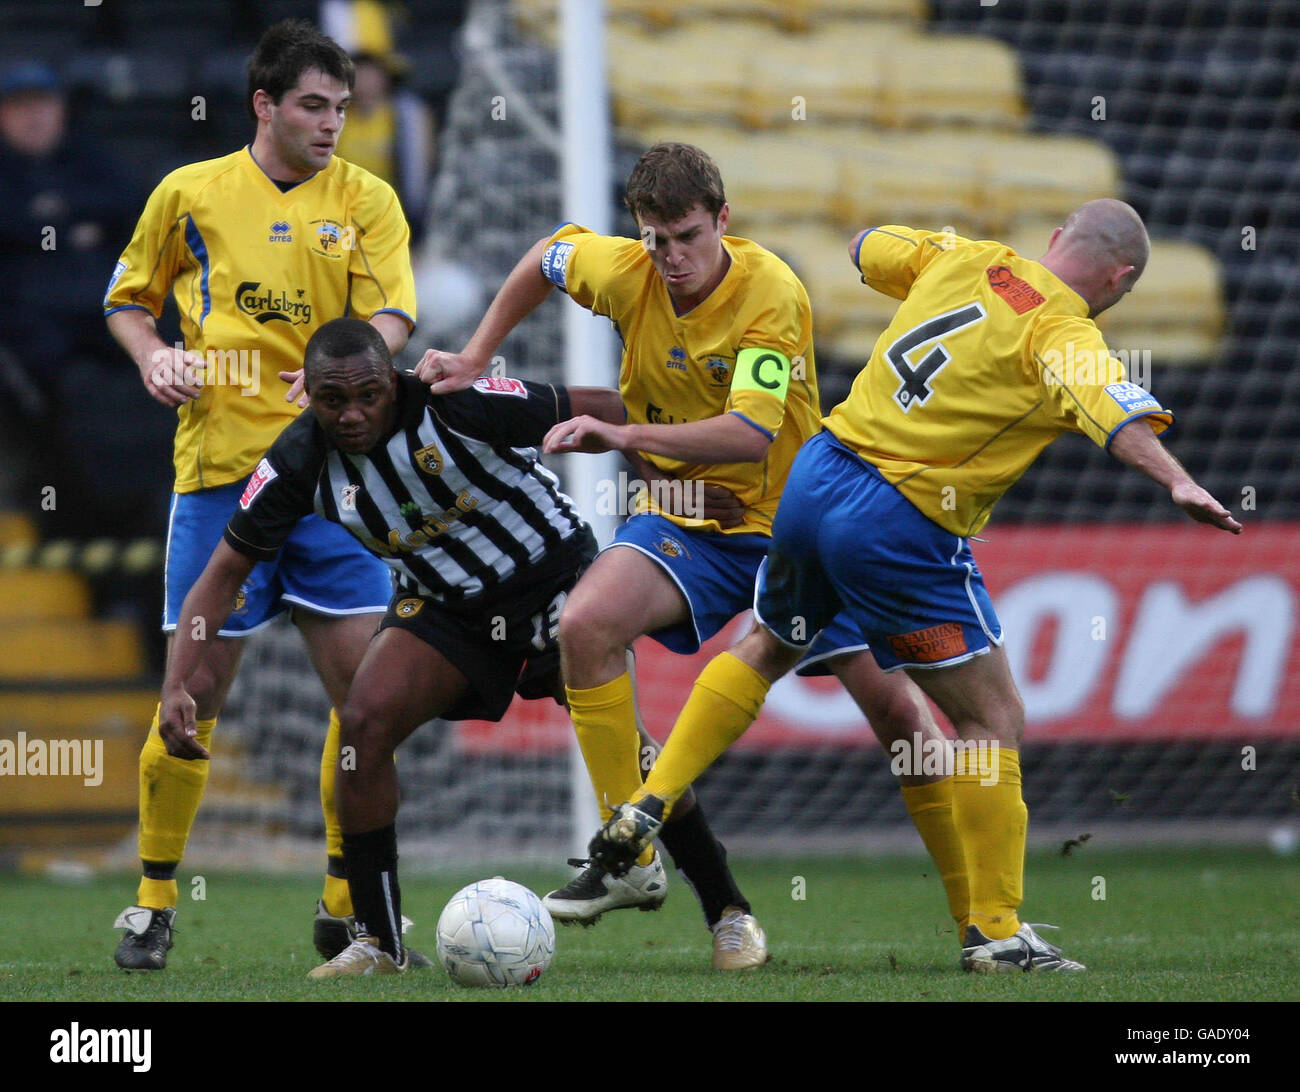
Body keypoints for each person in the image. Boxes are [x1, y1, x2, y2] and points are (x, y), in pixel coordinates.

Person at [585, 199, 1244, 973]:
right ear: (1120, 279)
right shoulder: (1065, 332)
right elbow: (1117, 414)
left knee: (766, 646)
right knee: (991, 717)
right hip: (897, 522)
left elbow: (866, 247)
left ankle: (650, 799)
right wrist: (1179, 482)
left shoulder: (969, 256)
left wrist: (922, 263)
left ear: (1056, 236)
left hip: (818, 474)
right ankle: (996, 933)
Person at [420, 143, 968, 967]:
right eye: (655, 239)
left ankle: (984, 922)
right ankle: (631, 856)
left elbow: (748, 437)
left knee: (902, 722)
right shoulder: (625, 270)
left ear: (722, 221)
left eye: (685, 236)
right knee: (586, 626)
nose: (671, 257)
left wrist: (624, 434)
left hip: (802, 525)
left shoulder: (769, 293)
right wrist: (472, 355)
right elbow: (546, 254)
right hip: (689, 518)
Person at [162, 317, 683, 976]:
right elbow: (220, 578)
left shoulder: (459, 400)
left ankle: (725, 907)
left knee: (626, 744)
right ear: (307, 395)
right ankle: (380, 942)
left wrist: (668, 489)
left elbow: (608, 408)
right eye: (332, 400)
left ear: (392, 382)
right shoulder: (296, 461)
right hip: (450, 607)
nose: (351, 414)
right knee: (362, 723)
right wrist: (177, 681)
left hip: (554, 577)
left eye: (367, 396)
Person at [103, 20, 417, 971]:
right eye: (314, 106)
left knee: (366, 704)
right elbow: (126, 299)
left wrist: (351, 372)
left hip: (333, 482)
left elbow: (395, 316)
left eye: (342, 107)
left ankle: (341, 898)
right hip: (219, 479)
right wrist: (154, 356)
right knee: (189, 695)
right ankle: (154, 902)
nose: (332, 124)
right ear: (265, 106)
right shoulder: (188, 193)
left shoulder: (366, 199)